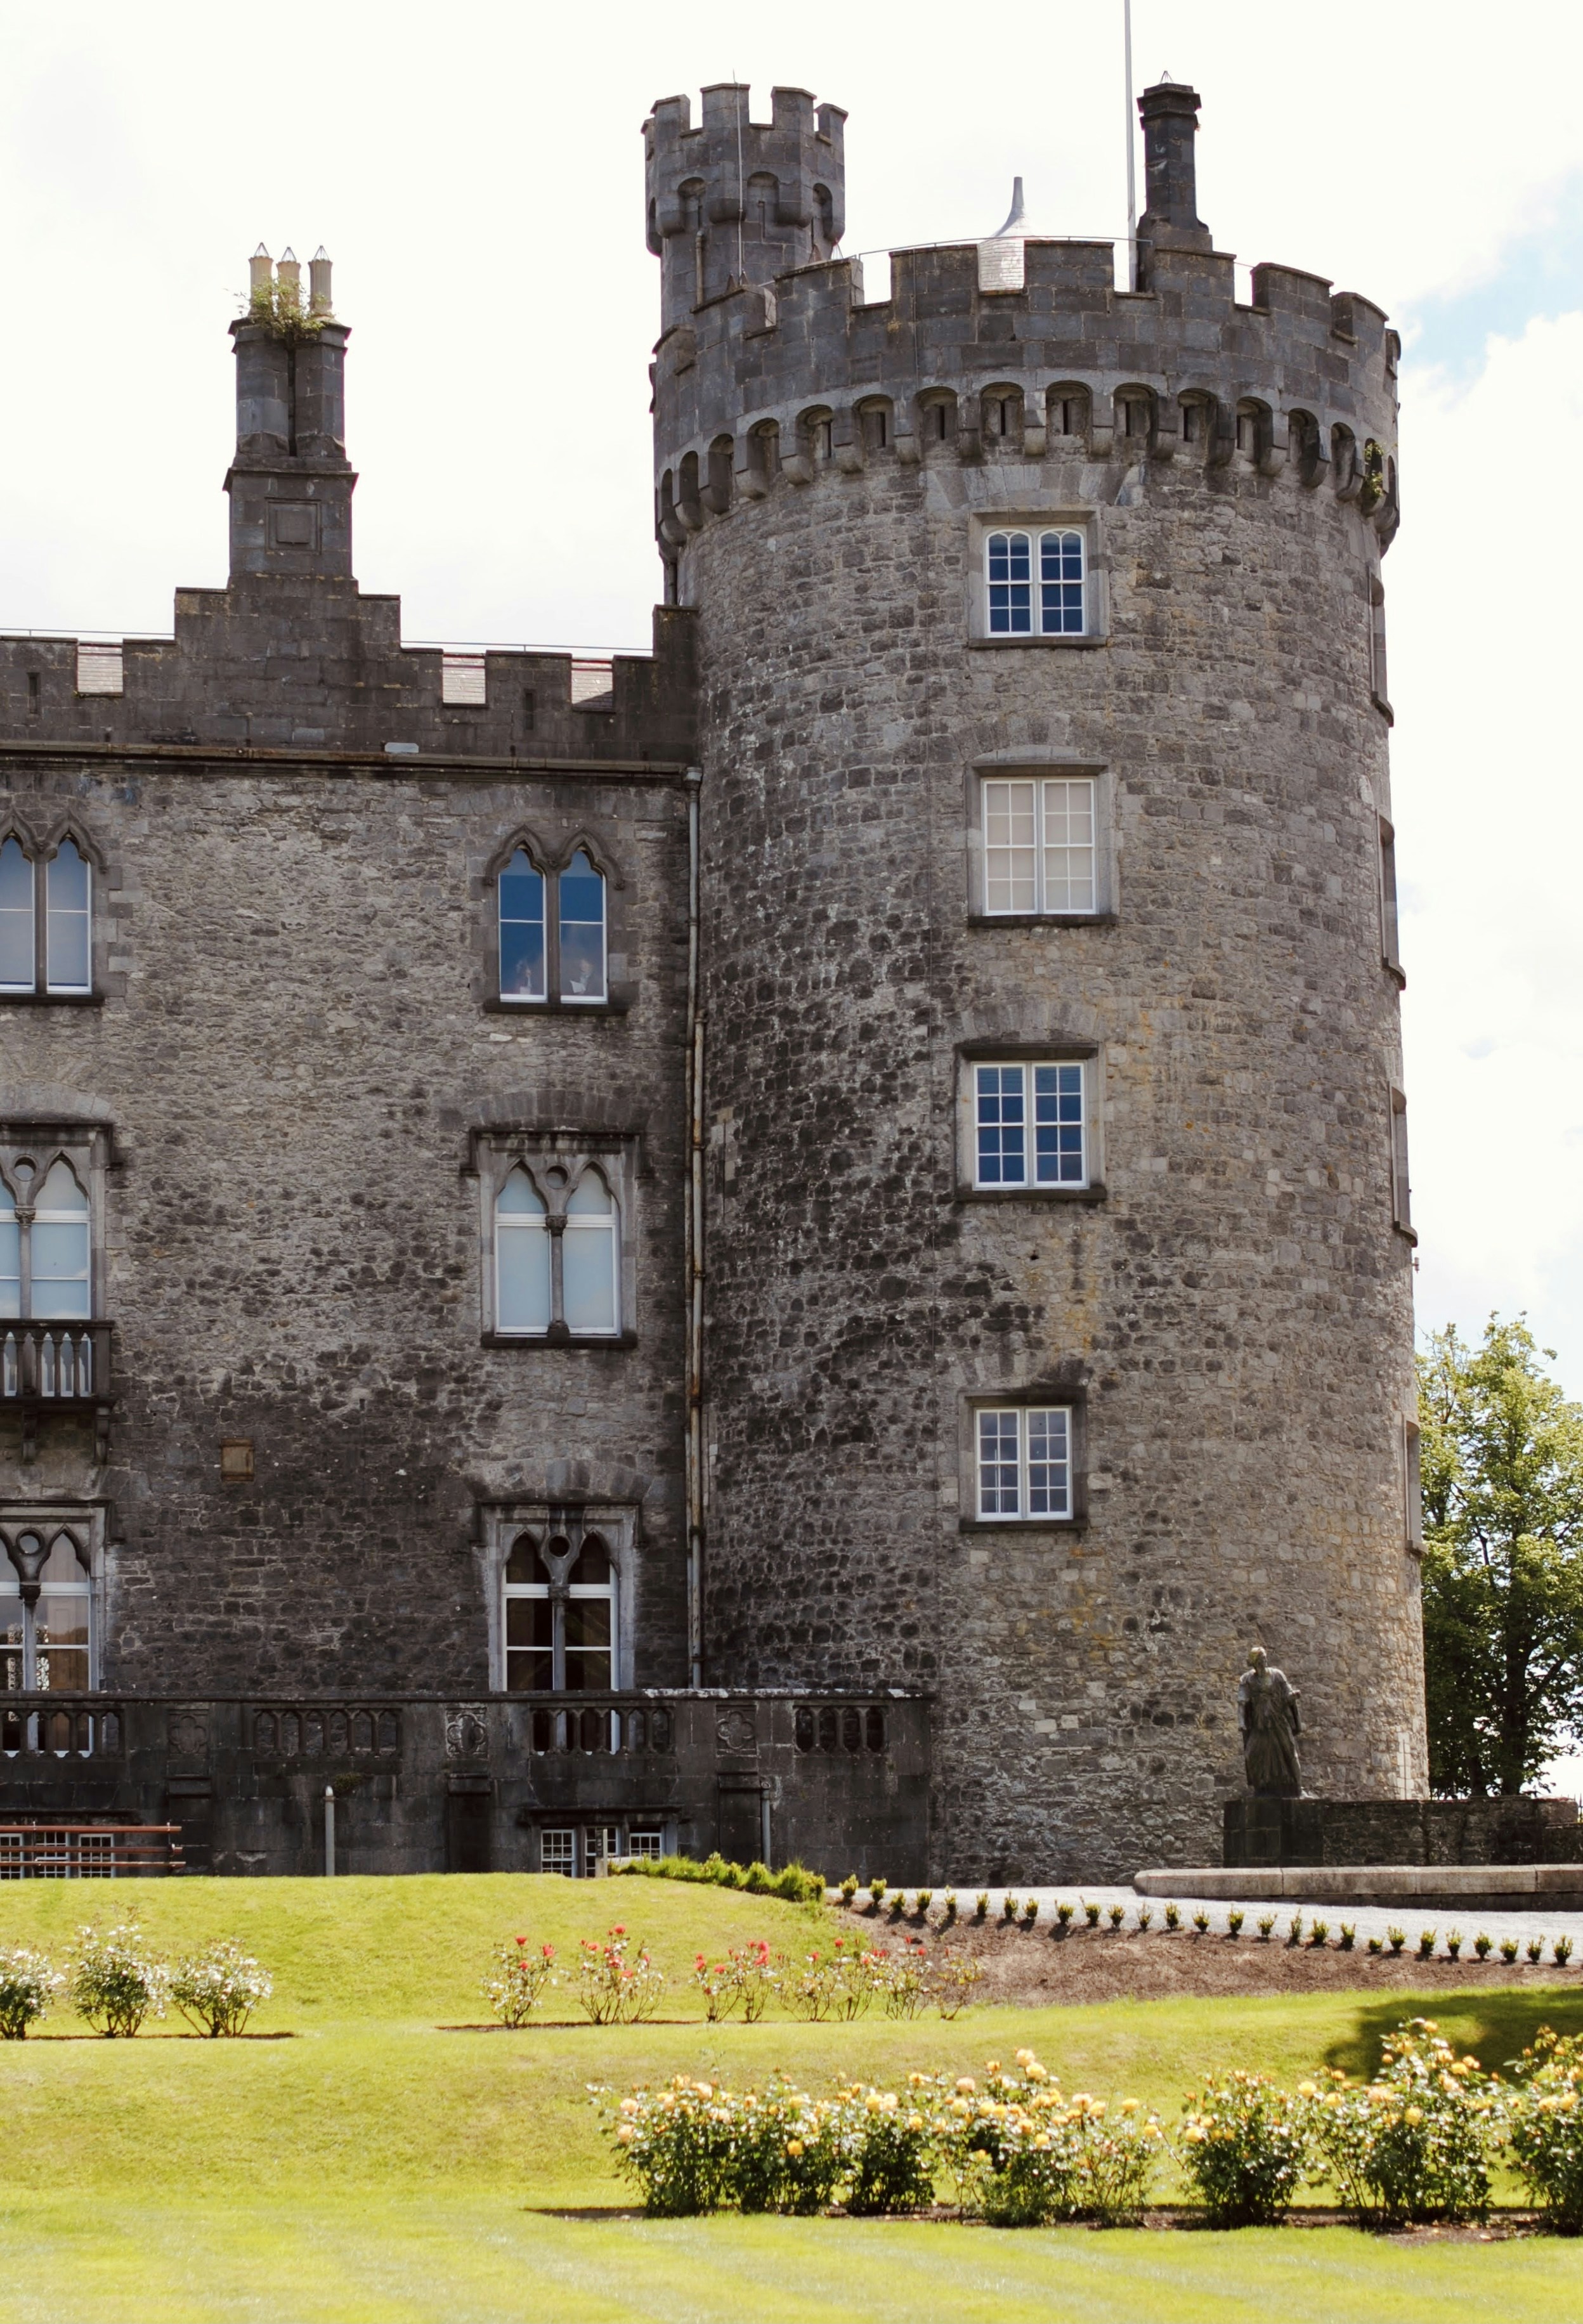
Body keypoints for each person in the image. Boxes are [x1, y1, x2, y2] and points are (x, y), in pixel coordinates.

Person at [1238, 1646, 1302, 1796]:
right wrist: (1241, 1722)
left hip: (1278, 1720)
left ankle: (1298, 1788)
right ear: (1255, 1663)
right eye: (1261, 1659)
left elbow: (1287, 1695)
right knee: (1251, 1754)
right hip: (1259, 1723)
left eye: (1264, 1658)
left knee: (1290, 1752)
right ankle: (1260, 1788)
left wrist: (1293, 1696)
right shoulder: (1247, 1679)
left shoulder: (1277, 1675)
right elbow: (1242, 1703)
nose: (1264, 1661)